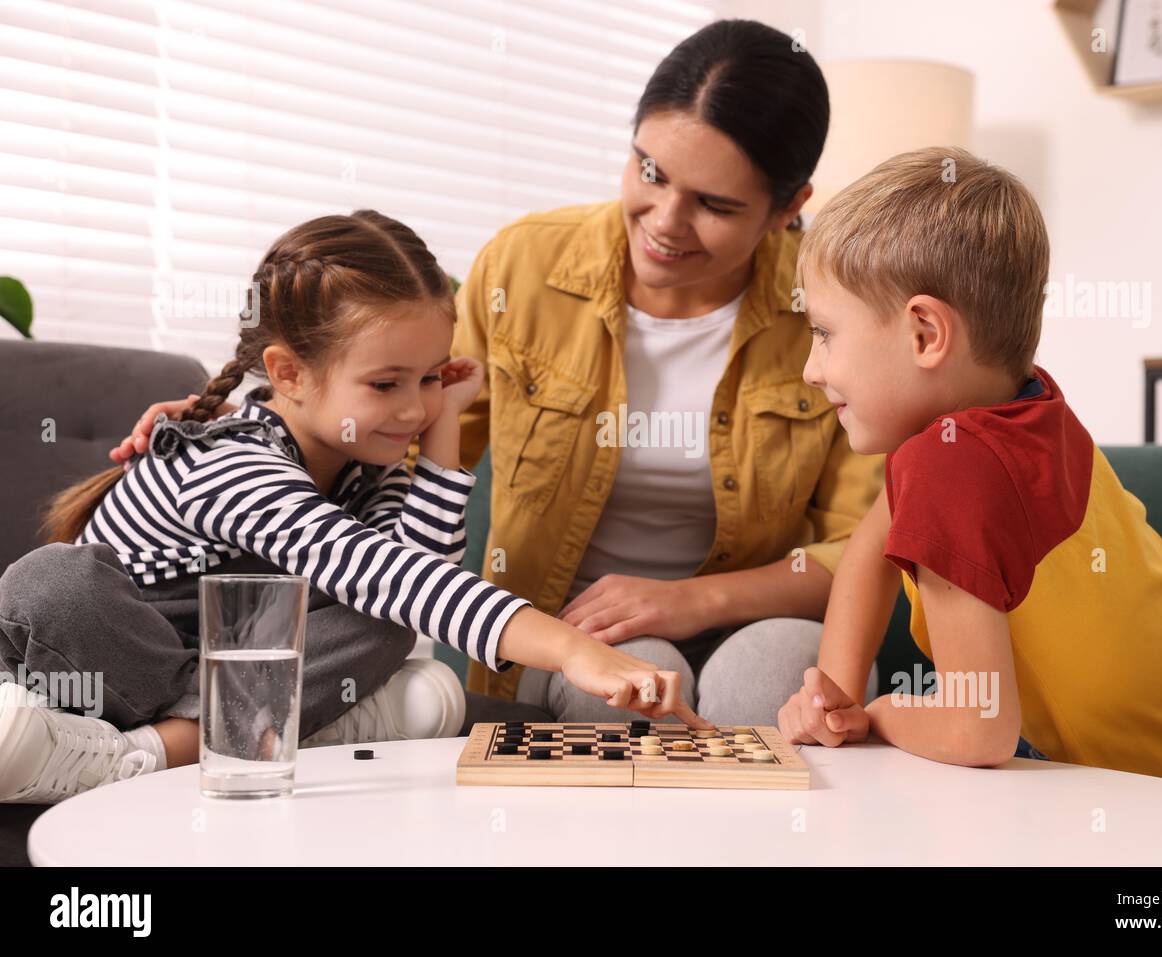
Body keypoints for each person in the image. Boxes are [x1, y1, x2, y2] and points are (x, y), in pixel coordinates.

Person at [109, 20, 885, 728]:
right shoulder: (525, 264)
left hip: (758, 611)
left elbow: (869, 541)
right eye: (649, 170)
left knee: (776, 672)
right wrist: (262, 419)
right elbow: (402, 447)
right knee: (624, 689)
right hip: (569, 620)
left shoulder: (830, 303)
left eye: (713, 203)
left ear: (789, 207)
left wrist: (692, 598)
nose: (664, 220)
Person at [0, 210, 703, 806]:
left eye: (430, 376)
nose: (412, 404)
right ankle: (240, 734)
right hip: (105, 661)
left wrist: (441, 429)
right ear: (288, 373)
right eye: (386, 382)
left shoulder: (363, 460)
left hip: (221, 670)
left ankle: (179, 743)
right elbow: (395, 575)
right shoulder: (235, 462)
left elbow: (413, 576)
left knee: (383, 619)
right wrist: (576, 652)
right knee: (52, 582)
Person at [777, 147, 1162, 795]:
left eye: (825, 333)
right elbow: (867, 555)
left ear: (924, 333)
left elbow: (977, 730)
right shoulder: (1020, 405)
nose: (811, 369)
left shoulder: (949, 463)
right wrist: (831, 693)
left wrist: (874, 713)